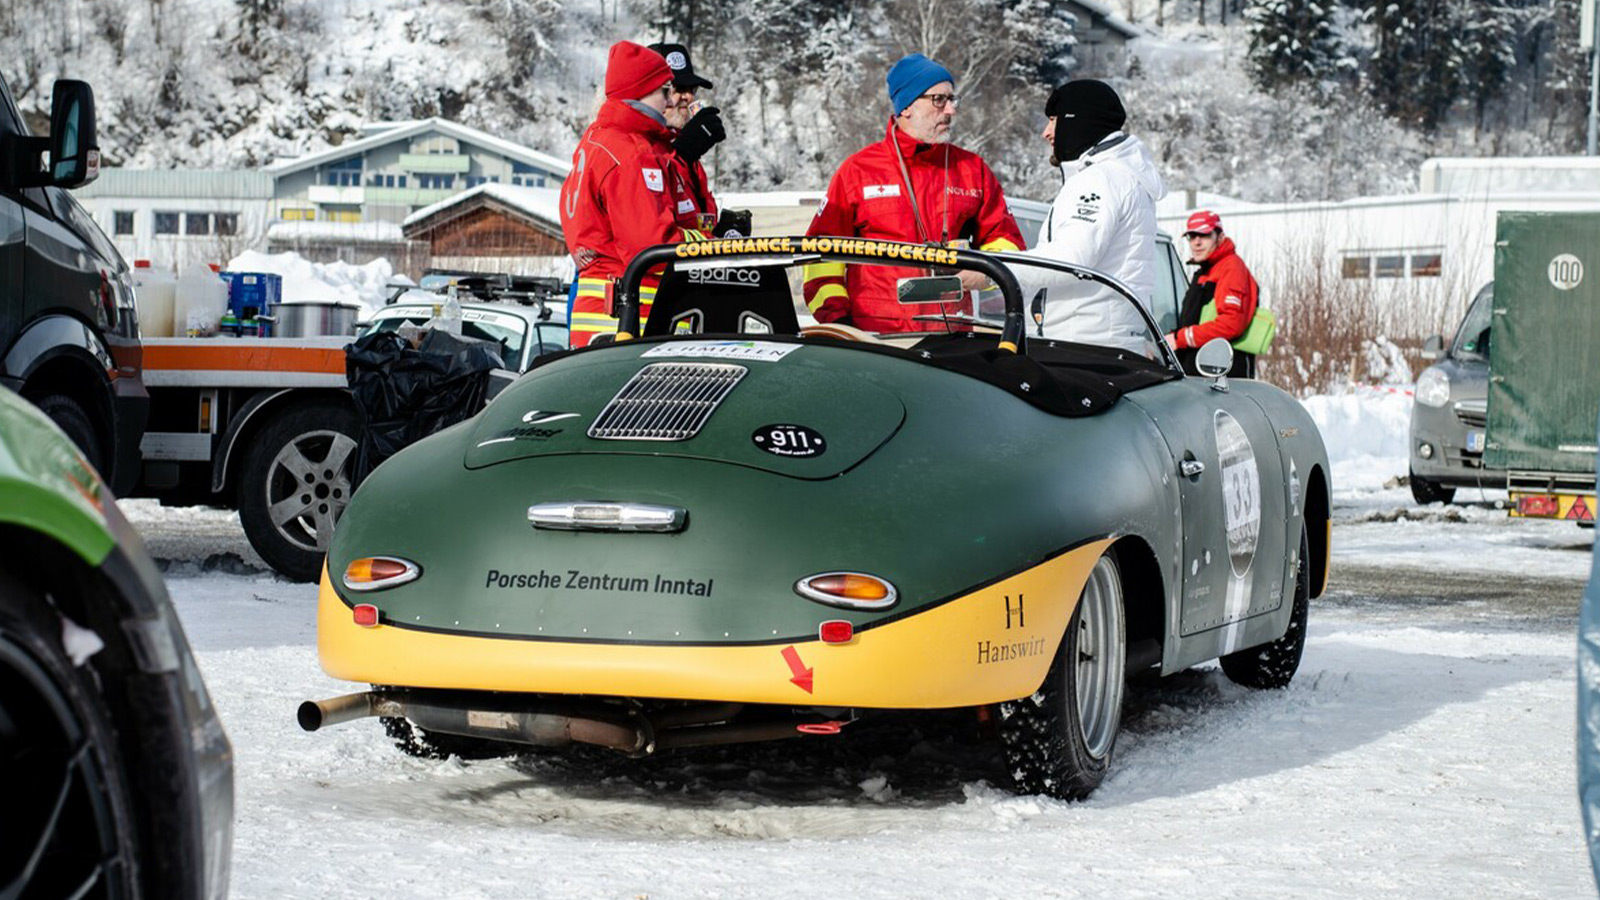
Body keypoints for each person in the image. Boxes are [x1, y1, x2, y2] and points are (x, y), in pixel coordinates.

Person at [802, 53, 1024, 334]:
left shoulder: (972, 169)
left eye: (952, 99)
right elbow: (820, 256)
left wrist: (986, 271)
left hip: (954, 335)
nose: (950, 110)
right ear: (906, 107)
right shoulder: (858, 171)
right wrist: (841, 325)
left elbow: (1007, 240)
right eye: (939, 100)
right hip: (879, 340)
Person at [559, 40, 709, 348]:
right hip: (629, 320)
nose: (671, 101)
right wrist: (713, 246)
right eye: (665, 91)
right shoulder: (631, 153)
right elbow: (651, 248)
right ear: (640, 94)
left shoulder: (597, 139)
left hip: (599, 314)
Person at [1009, 79, 1166, 356]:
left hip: (1080, 348)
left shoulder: (1099, 180)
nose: (1046, 133)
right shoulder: (1124, 176)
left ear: (1077, 123)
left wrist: (994, 271)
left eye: (1054, 121)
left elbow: (1069, 259)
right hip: (1107, 343)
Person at [647, 42, 753, 239]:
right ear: (652, 92)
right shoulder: (640, 146)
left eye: (691, 88)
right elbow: (653, 229)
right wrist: (681, 155)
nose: (687, 96)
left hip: (690, 267)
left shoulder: (686, 151)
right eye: (677, 88)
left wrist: (721, 233)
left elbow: (691, 222)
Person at [1168, 209, 1260, 377]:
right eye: (1192, 236)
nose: (1196, 242)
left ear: (1220, 237)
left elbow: (1231, 324)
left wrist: (1180, 338)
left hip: (1223, 376)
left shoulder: (1231, 268)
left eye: (1204, 236)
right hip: (1202, 372)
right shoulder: (1206, 270)